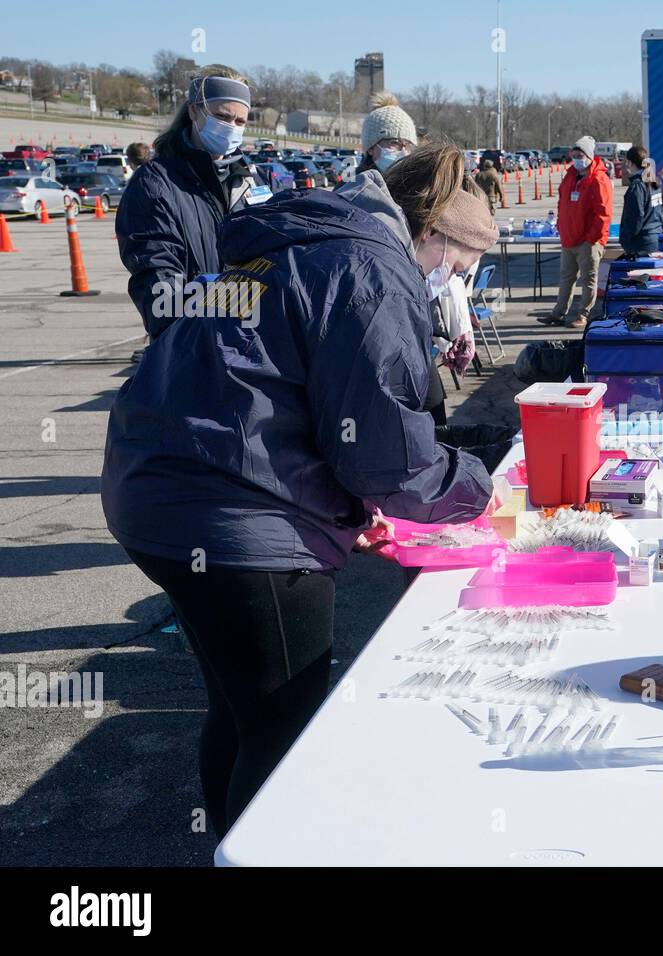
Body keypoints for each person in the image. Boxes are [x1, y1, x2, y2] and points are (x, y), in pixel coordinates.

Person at [101, 143, 498, 838]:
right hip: (234, 517)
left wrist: (351, 504)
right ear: (430, 233)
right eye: (458, 268)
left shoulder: (311, 240)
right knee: (285, 728)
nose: (453, 285)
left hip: (154, 485)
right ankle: (257, 850)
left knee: (241, 709)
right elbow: (391, 462)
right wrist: (476, 487)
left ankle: (224, 843)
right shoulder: (372, 270)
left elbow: (301, 399)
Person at [116, 66, 269, 340]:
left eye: (240, 122)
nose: (231, 128)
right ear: (194, 111)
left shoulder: (256, 181)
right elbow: (158, 288)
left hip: (256, 342)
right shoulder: (155, 184)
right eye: (222, 117)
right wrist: (239, 300)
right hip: (194, 345)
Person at [540, 135, 612, 330]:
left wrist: (591, 239)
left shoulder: (598, 179)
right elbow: (563, 202)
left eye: (580, 155)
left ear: (589, 156)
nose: (576, 158)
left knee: (588, 279)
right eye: (574, 154)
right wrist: (562, 227)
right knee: (566, 278)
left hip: (588, 242)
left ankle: (584, 314)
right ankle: (558, 313)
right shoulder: (571, 175)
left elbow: (603, 214)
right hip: (569, 238)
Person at [355, 91, 417, 176]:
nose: (404, 152)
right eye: (395, 142)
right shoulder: (352, 186)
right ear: (370, 148)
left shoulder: (415, 186)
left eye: (408, 145)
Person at [617, 146, 662, 257]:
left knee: (641, 274)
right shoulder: (654, 183)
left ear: (630, 162)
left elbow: (635, 216)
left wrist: (626, 238)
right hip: (655, 237)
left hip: (640, 242)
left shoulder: (638, 186)